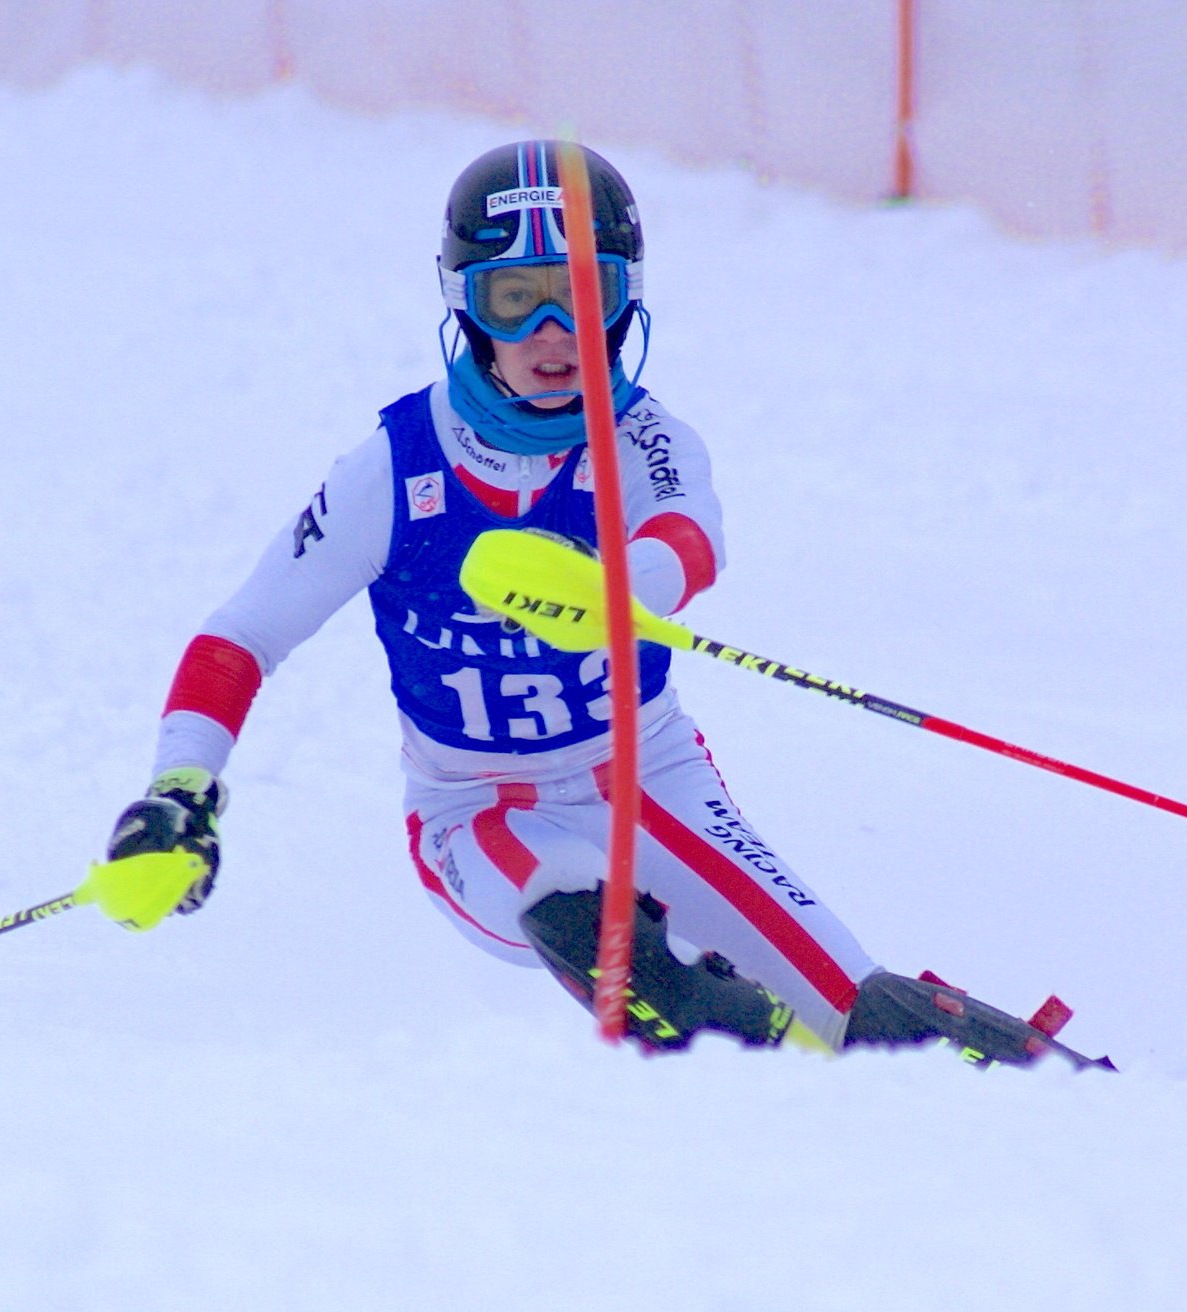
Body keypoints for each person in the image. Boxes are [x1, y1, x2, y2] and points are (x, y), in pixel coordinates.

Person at [101, 140, 1082, 1065]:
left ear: (624, 298)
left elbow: (690, 541)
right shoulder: (397, 468)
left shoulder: (643, 438)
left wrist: (615, 592)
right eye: (514, 299)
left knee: (853, 1001)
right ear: (463, 304)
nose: (551, 333)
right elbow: (243, 630)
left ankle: (1073, 1098)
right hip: (476, 810)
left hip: (648, 776)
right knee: (581, 913)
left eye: (580, 295)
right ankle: (756, 1092)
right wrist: (179, 787)